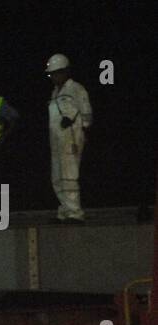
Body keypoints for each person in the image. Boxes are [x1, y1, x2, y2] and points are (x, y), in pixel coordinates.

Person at [45, 53, 92, 220]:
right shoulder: (55, 92)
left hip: (70, 138)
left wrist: (83, 130)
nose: (53, 77)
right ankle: (65, 210)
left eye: (56, 73)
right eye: (51, 74)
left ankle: (75, 212)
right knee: (58, 176)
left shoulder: (76, 89)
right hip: (57, 140)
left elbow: (86, 112)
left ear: (65, 71)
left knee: (69, 176)